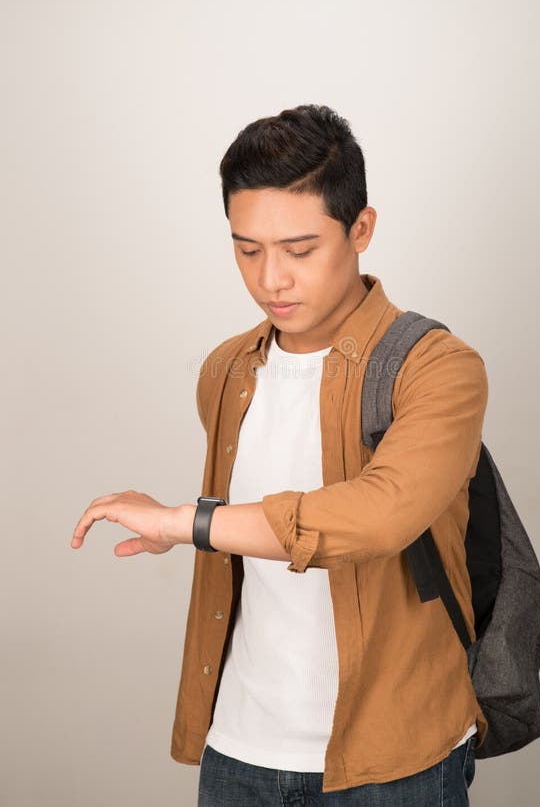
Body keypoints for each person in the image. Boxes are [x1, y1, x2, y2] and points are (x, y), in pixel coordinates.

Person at [71, 104, 488, 806]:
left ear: (361, 229)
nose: (271, 280)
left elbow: (377, 517)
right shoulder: (227, 369)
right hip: (238, 747)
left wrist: (188, 522)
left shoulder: (437, 367)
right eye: (246, 249)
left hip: (393, 758)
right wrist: (191, 523)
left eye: (299, 250)